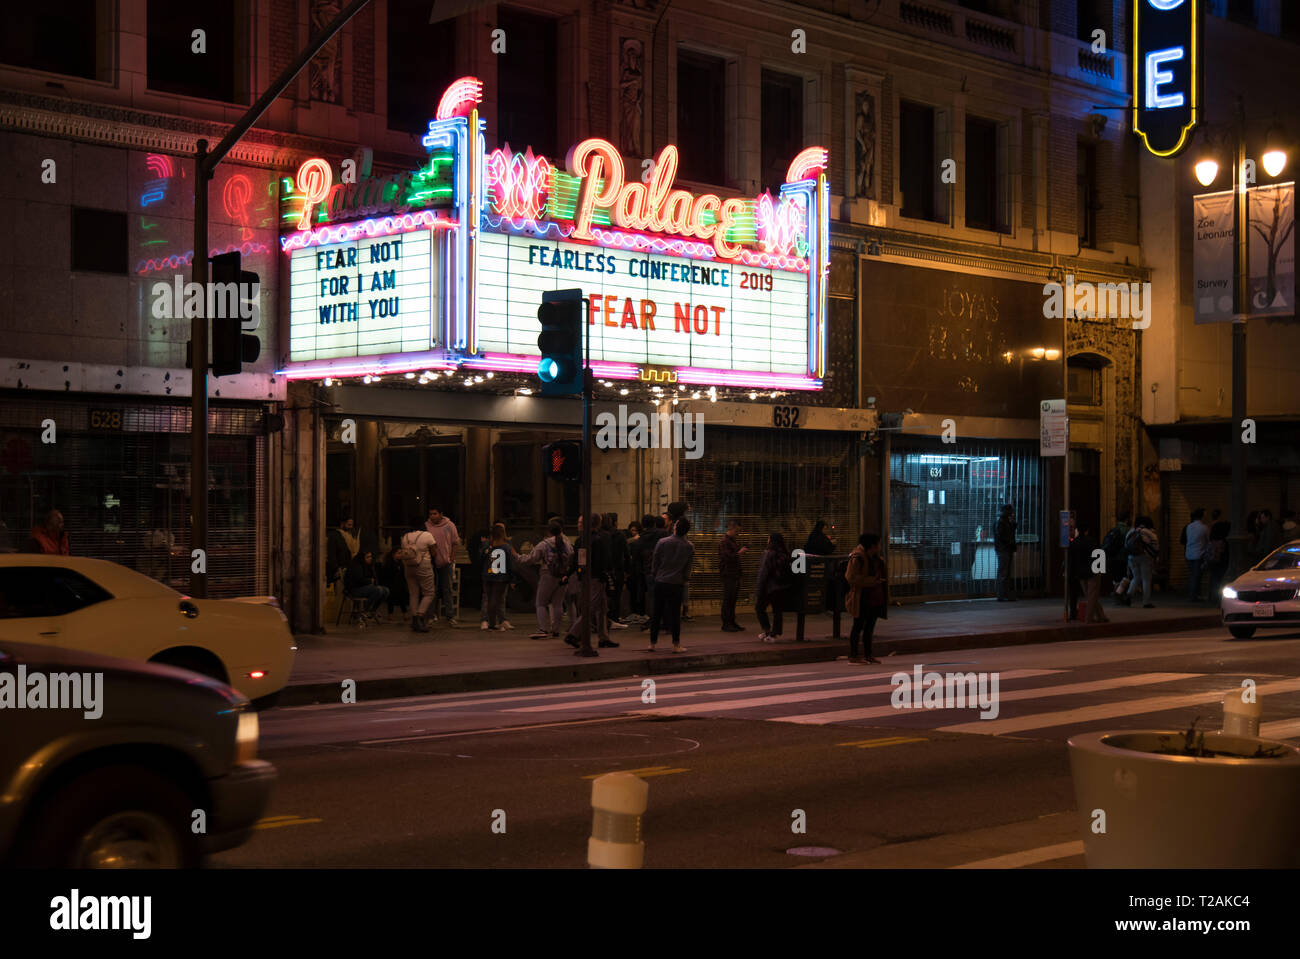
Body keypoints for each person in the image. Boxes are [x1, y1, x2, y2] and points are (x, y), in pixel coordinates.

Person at [564, 513, 615, 653]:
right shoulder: (598, 540)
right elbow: (602, 561)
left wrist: (571, 574)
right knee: (592, 607)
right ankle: (573, 634)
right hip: (595, 578)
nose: (578, 524)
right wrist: (604, 575)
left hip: (586, 577)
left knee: (602, 608)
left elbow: (578, 560)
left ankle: (603, 638)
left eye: (580, 522)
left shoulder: (581, 540)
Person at [648, 517, 695, 653]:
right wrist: (685, 579)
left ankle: (652, 643)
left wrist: (655, 574)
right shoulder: (689, 546)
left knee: (657, 613)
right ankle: (676, 644)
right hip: (677, 583)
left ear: (675, 527)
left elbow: (655, 560)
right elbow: (688, 567)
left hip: (661, 581)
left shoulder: (662, 542)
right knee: (675, 614)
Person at [522, 519, 571, 638]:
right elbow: (571, 556)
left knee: (540, 603)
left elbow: (531, 559)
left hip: (547, 574)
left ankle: (543, 629)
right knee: (558, 604)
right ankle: (556, 630)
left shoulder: (544, 544)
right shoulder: (566, 543)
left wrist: (518, 557)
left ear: (549, 532)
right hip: (562, 575)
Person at [844, 533, 887, 663]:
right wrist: (872, 581)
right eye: (878, 543)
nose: (879, 546)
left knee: (869, 627)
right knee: (858, 626)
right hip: (861, 597)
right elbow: (851, 577)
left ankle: (868, 654)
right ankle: (854, 655)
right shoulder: (858, 558)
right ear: (872, 545)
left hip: (874, 597)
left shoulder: (876, 558)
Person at [400, 516, 438, 632]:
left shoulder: (405, 537)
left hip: (408, 567)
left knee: (413, 594)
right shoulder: (427, 535)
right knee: (429, 593)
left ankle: (414, 617)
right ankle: (419, 617)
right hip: (423, 566)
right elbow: (434, 552)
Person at [426, 507, 461, 627]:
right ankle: (431, 615)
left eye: (435, 513)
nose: (432, 516)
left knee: (447, 589)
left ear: (441, 514)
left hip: (445, 562)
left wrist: (451, 558)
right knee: (432, 590)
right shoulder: (426, 526)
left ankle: (450, 616)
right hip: (430, 563)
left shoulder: (449, 525)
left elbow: (455, 542)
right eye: (430, 514)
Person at [479, 523, 518, 631]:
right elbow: (511, 564)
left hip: (488, 575)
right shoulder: (506, 547)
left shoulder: (488, 546)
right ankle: (493, 622)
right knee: (496, 599)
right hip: (501, 577)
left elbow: (481, 559)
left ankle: (488, 622)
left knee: (489, 598)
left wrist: (484, 546)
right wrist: (513, 579)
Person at [1069, 522, 1108, 623]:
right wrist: (1101, 569)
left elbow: (1072, 560)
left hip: (1081, 573)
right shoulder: (1092, 541)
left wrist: (1072, 573)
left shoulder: (1074, 543)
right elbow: (1099, 554)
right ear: (1087, 531)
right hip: (1093, 571)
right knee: (1092, 596)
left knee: (1090, 595)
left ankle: (1101, 616)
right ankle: (1088, 618)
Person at [755, 532, 791, 643]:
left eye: (768, 538)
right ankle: (773, 634)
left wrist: (759, 587)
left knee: (759, 608)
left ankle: (767, 630)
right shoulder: (784, 553)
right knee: (777, 611)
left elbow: (763, 572)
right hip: (781, 587)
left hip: (769, 586)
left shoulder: (768, 553)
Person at [636, 514, 670, 630]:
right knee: (665, 596)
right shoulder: (662, 534)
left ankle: (655, 620)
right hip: (663, 570)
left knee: (653, 598)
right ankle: (665, 622)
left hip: (649, 571)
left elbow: (638, 557)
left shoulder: (640, 539)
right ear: (654, 523)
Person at [718, 519, 748, 631]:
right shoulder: (725, 542)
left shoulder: (732, 541)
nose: (738, 533)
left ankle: (731, 621)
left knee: (732, 599)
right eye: (737, 531)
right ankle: (727, 623)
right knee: (728, 599)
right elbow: (727, 557)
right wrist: (740, 552)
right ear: (732, 528)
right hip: (728, 574)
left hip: (734, 574)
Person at [1124, 516, 1159, 608]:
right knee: (1146, 579)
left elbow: (1126, 545)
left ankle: (1129, 594)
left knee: (1136, 577)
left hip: (1132, 557)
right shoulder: (1149, 532)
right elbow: (1156, 546)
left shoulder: (1131, 531)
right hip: (1145, 558)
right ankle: (1146, 602)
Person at [344, 550, 390, 620]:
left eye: (370, 557)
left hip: (364, 587)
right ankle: (365, 610)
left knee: (386, 590)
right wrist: (369, 581)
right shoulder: (356, 566)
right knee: (377, 590)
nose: (370, 558)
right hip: (355, 589)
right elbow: (358, 580)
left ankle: (373, 610)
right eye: (367, 557)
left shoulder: (367, 566)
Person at [666, 502, 692, 620]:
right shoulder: (679, 524)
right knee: (682, 587)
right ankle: (682, 612)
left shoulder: (671, 525)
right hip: (679, 563)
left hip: (671, 564)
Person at [604, 513, 629, 628]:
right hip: (617, 569)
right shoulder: (620, 535)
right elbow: (626, 553)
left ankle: (606, 618)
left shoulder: (601, 535)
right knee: (616, 595)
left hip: (604, 570)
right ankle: (614, 618)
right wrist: (628, 570)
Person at [1182, 507, 1211, 602]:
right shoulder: (1204, 528)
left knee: (1192, 576)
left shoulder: (1189, 526)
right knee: (1197, 576)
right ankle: (1194, 596)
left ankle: (1192, 595)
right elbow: (1208, 540)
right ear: (1202, 516)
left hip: (1189, 554)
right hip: (1199, 554)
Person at [1100, 512, 1129, 597]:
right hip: (1124, 556)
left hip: (1112, 556)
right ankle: (1119, 593)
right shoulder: (1128, 530)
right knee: (1125, 576)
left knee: (1116, 576)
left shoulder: (1113, 530)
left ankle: (1116, 592)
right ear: (1126, 519)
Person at [325, 515, 359, 587]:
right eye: (348, 525)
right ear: (342, 524)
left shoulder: (351, 536)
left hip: (349, 569)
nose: (350, 527)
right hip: (340, 569)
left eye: (351, 525)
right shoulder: (335, 536)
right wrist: (336, 569)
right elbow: (331, 554)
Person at [994, 504, 1017, 601]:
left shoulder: (1005, 521)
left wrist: (1013, 522)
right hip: (1003, 549)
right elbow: (1002, 536)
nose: (1012, 513)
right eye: (1010, 511)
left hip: (1006, 549)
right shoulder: (1000, 522)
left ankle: (1005, 595)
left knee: (1006, 573)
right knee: (1003, 573)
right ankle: (1002, 595)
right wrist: (1010, 542)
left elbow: (1012, 531)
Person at [379, 543, 410, 616]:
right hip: (391, 583)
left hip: (399, 583)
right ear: (393, 554)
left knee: (402, 595)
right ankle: (391, 614)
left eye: (401, 553)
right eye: (399, 553)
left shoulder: (400, 563)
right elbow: (386, 575)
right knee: (392, 596)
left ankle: (404, 613)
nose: (400, 555)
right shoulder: (389, 563)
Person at [1206, 509, 1231, 600]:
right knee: (1222, 578)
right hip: (1223, 559)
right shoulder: (1225, 540)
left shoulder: (1211, 528)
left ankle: (1212, 596)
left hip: (1213, 558)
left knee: (1214, 577)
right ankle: (1219, 597)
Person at [625, 521, 645, 620]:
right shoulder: (631, 540)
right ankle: (635, 611)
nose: (633, 532)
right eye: (632, 530)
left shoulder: (639, 541)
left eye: (635, 530)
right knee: (633, 591)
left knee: (639, 591)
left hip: (638, 569)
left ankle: (640, 611)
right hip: (632, 569)